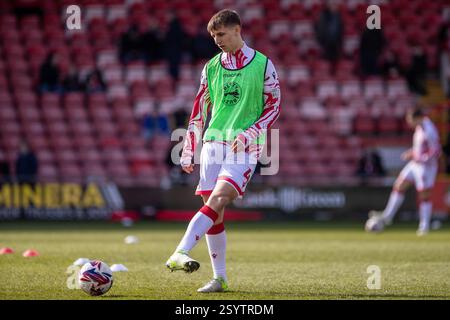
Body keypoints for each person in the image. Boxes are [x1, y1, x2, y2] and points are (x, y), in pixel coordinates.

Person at [165, 9, 281, 293]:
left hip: (246, 146)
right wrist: (189, 147)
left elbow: (274, 106)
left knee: (220, 197)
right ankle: (220, 278)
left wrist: (252, 132)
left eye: (221, 34)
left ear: (238, 30)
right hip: (213, 145)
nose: (217, 40)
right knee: (214, 213)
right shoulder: (211, 67)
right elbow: (199, 110)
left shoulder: (264, 64)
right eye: (214, 36)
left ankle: (180, 251)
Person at [367, 108, 441, 236]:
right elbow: (422, 147)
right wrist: (412, 152)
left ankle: (424, 226)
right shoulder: (419, 128)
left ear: (417, 118)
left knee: (424, 195)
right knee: (399, 185)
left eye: (410, 120)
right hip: (415, 164)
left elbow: (436, 151)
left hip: (426, 167)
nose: (409, 123)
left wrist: (418, 157)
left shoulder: (430, 130)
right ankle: (388, 216)